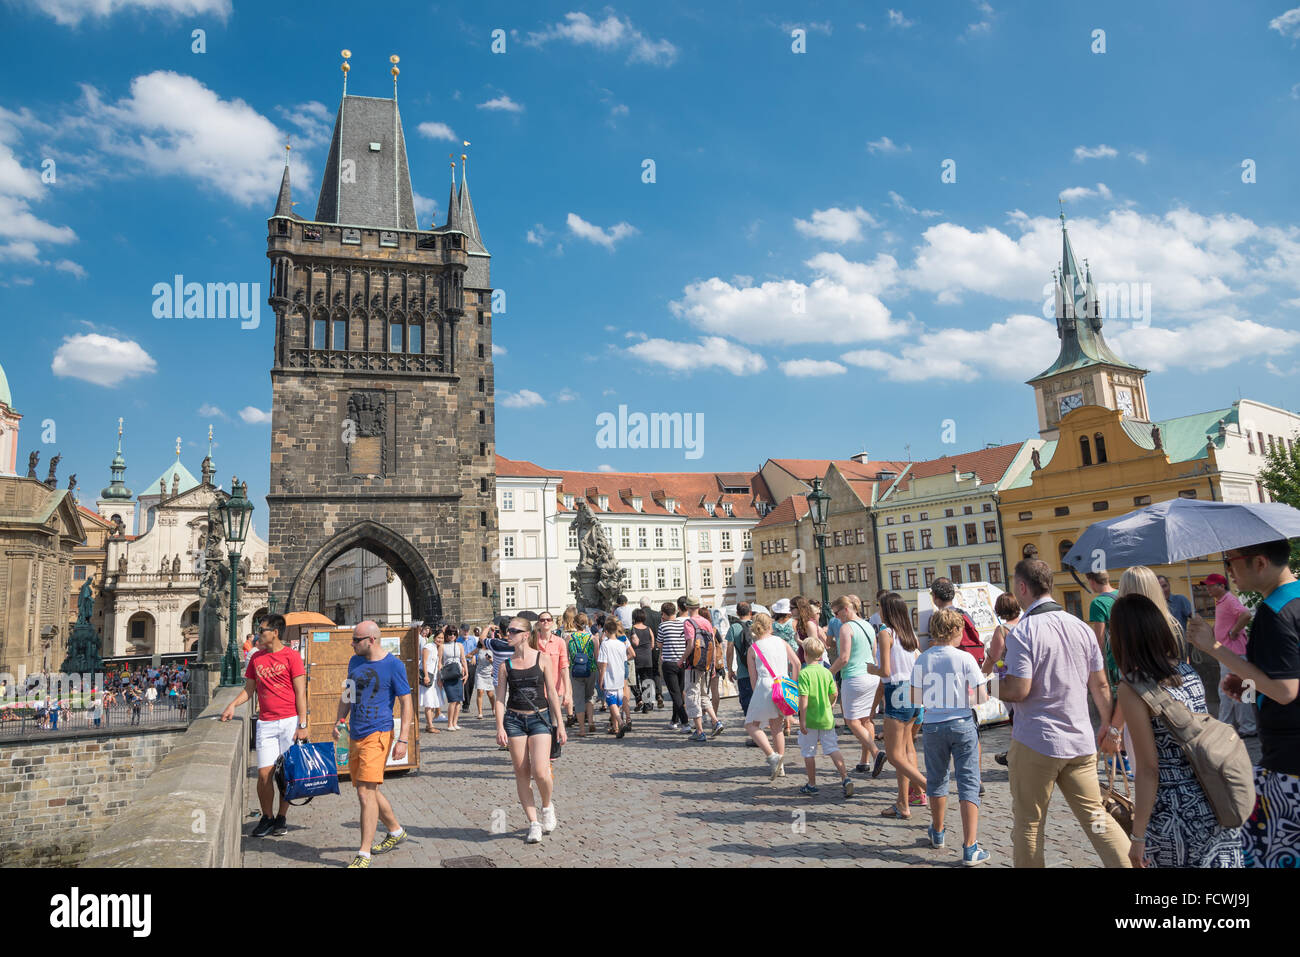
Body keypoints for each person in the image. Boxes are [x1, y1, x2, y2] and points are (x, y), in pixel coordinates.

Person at [997, 559, 1131, 868]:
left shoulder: (1023, 631)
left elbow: (1019, 690)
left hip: (1036, 743)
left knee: (1030, 824)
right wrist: (1110, 726)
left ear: (1021, 587)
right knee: (1097, 818)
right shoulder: (1080, 627)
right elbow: (1100, 685)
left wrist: (988, 689)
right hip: (1080, 741)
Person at [1186, 539, 1300, 869]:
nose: (1228, 571)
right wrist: (1249, 689)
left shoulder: (1274, 614)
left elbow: (1285, 690)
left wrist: (1214, 647)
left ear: (1260, 562)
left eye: (1231, 562)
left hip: (1289, 764)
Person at [1109, 594, 1244, 868]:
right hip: (1216, 798)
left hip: (1173, 811)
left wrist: (1137, 835)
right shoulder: (1188, 672)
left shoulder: (1133, 687)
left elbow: (1148, 768)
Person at [911, 607, 990, 864]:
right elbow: (981, 696)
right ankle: (970, 846)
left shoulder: (922, 659)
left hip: (933, 725)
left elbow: (915, 698)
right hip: (962, 722)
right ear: (956, 631)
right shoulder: (964, 658)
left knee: (936, 779)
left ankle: (938, 831)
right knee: (968, 781)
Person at [221, 614, 309, 838]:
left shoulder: (292, 657)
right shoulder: (257, 659)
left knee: (286, 775)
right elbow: (249, 690)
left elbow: (301, 692)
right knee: (264, 775)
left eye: (262, 630)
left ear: (275, 632)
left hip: (289, 722)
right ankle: (267, 816)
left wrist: (303, 723)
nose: (259, 634)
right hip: (266, 722)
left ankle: (281, 817)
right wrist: (232, 705)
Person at [333, 620, 412, 868]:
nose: (352, 644)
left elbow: (406, 703)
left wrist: (403, 739)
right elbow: (348, 692)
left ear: (371, 640)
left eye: (356, 640)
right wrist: (340, 719)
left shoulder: (393, 665)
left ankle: (364, 853)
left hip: (378, 734)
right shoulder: (355, 661)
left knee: (364, 793)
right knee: (371, 790)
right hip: (355, 732)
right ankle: (396, 831)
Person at [494, 617, 566, 844]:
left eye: (513, 631)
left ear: (525, 635)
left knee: (541, 771)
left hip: (539, 719)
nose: (508, 634)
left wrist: (560, 724)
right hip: (514, 720)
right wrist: (499, 726)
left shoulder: (542, 659)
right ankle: (534, 823)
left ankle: (547, 806)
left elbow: (552, 694)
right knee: (522, 773)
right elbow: (499, 698)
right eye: (507, 631)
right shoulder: (506, 665)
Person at [869, 592, 929, 818]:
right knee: (905, 750)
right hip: (914, 690)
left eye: (880, 607)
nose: (878, 611)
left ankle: (926, 786)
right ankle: (903, 803)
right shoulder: (909, 635)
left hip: (897, 691)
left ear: (887, 610)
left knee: (894, 756)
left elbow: (885, 671)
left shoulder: (886, 633)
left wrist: (870, 669)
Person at [828, 594, 883, 776]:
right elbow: (874, 653)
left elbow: (844, 658)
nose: (836, 617)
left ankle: (876, 752)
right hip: (871, 676)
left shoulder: (846, 627)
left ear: (846, 609)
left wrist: (829, 673)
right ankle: (864, 761)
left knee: (851, 721)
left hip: (854, 677)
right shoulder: (868, 625)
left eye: (837, 613)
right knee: (866, 719)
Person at [745, 613, 801, 780]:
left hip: (765, 686)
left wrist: (757, 695)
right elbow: (797, 663)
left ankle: (772, 756)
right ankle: (781, 766)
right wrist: (793, 683)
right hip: (783, 685)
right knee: (777, 728)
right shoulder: (781, 642)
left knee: (751, 725)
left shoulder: (753, 648)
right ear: (770, 625)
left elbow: (752, 677)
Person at [796, 635, 854, 798]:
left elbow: (804, 699)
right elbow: (835, 692)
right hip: (827, 717)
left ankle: (812, 784)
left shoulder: (804, 673)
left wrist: (802, 720)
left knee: (809, 752)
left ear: (805, 654)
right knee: (832, 748)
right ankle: (845, 777)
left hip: (811, 719)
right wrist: (829, 703)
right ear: (821, 655)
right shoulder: (827, 672)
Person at [1203, 573, 1256, 737]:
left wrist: (1233, 631)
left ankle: (1247, 727)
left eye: (1211, 585)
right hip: (1228, 653)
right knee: (1229, 691)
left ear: (1221, 585)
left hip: (1233, 653)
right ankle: (1229, 724)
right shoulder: (1222, 601)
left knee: (1237, 690)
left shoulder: (1228, 599)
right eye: (1207, 585)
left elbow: (1246, 614)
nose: (1208, 588)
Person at [985, 592, 1022, 767]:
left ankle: (1016, 753)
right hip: (1025, 675)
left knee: (1014, 716)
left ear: (999, 610)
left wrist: (983, 673)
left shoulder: (1002, 630)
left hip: (1007, 677)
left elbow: (994, 656)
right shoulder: (1025, 625)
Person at [680, 596, 723, 742]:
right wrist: (712, 666)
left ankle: (699, 731)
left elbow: (691, 644)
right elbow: (713, 644)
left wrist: (681, 659)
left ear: (687, 607)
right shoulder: (706, 622)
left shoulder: (689, 623)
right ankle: (716, 721)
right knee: (704, 694)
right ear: (698, 607)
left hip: (693, 664)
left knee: (692, 696)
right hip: (706, 665)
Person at [535, 612, 571, 728]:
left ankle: (554, 745)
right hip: (537, 691)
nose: (545, 622)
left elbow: (564, 668)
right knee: (540, 725)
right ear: (538, 623)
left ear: (552, 623)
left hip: (555, 690)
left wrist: (568, 692)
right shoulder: (533, 642)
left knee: (555, 724)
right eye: (542, 620)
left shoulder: (559, 642)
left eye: (548, 619)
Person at [598, 617, 632, 738]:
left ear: (606, 631)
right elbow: (624, 660)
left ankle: (620, 722)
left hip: (609, 676)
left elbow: (604, 663)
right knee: (617, 702)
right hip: (619, 676)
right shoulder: (621, 644)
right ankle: (616, 726)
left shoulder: (605, 645)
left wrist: (601, 679)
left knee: (611, 701)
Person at [658, 601, 690, 730]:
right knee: (679, 691)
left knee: (675, 694)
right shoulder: (683, 624)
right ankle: (674, 720)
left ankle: (685, 722)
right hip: (682, 662)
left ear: (664, 614)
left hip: (669, 663)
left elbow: (659, 644)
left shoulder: (663, 626)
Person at [565, 614, 598, 736]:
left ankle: (582, 730)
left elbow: (566, 658)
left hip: (575, 670)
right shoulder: (593, 638)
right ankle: (590, 721)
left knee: (578, 700)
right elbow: (597, 657)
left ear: (575, 624)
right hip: (591, 669)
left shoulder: (569, 638)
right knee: (589, 697)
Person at [726, 602, 755, 719]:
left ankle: (752, 725)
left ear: (737, 613)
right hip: (759, 672)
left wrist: (730, 669)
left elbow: (729, 650)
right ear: (751, 612)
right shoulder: (756, 626)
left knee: (747, 702)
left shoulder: (734, 627)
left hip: (743, 672)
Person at [1086, 570, 1120, 663]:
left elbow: (1099, 638)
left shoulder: (1098, 603)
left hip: (1114, 658)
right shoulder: (1122, 593)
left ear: (1092, 581)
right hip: (1130, 653)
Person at [630, 607, 656, 714]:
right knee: (647, 681)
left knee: (633, 681)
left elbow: (630, 644)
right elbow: (652, 645)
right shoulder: (648, 629)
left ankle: (638, 697)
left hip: (635, 658)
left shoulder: (632, 629)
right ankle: (647, 705)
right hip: (647, 658)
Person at [419, 630, 447, 733]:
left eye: (442, 638)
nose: (440, 640)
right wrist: (426, 676)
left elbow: (439, 665)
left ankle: (429, 724)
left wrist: (439, 678)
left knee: (433, 702)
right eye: (439, 637)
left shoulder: (437, 648)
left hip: (434, 678)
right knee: (429, 702)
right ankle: (430, 725)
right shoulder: (428, 647)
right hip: (428, 677)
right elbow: (424, 663)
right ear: (434, 637)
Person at [440, 627, 466, 731]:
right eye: (450, 634)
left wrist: (467, 672)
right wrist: (439, 676)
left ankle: (455, 722)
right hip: (448, 674)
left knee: (459, 700)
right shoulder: (442, 646)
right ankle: (449, 723)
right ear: (446, 635)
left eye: (454, 634)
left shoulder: (459, 645)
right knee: (452, 700)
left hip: (458, 673)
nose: (452, 636)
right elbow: (440, 661)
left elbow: (463, 659)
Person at [1158, 575, 1194, 643]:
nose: (1163, 590)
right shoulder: (1154, 605)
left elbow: (1195, 618)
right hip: (1161, 645)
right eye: (1159, 588)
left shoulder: (1180, 600)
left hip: (1180, 644)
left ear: (1169, 585)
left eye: (1164, 586)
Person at [473, 627, 496, 718]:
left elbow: (495, 662)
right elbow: (469, 654)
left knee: (490, 694)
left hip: (489, 673)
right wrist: (473, 657)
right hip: (479, 673)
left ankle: (493, 709)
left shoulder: (492, 649)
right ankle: (480, 713)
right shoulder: (478, 649)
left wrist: (491, 660)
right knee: (480, 691)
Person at [459, 623, 479, 718]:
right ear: (461, 630)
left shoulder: (473, 639)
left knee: (470, 684)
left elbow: (476, 650)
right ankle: (465, 705)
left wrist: (474, 656)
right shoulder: (458, 640)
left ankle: (467, 701)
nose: (466, 632)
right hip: (463, 664)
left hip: (472, 663)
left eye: (467, 630)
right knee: (465, 684)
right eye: (464, 630)